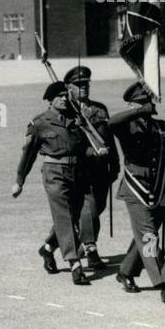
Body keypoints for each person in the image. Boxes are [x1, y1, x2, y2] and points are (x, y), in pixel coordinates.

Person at [109, 81, 165, 304]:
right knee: (150, 236)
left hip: (160, 187)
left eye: (146, 103)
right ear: (131, 106)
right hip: (136, 187)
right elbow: (111, 123)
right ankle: (164, 284)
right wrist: (139, 112)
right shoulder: (126, 127)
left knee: (144, 236)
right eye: (139, 105)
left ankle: (126, 272)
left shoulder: (160, 127)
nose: (144, 108)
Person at [12, 81, 91, 286]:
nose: (65, 99)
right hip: (54, 172)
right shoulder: (39, 123)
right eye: (60, 96)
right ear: (51, 100)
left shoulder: (77, 119)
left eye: (66, 96)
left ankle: (47, 248)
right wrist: (19, 181)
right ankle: (75, 264)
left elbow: (85, 146)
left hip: (77, 172)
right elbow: (27, 155)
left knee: (72, 217)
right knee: (63, 215)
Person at [42, 66, 115, 272]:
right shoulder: (66, 112)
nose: (84, 88)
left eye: (87, 84)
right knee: (87, 210)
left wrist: (115, 165)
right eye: (79, 85)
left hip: (101, 170)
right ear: (69, 88)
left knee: (92, 211)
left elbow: (107, 139)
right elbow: (68, 144)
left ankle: (48, 246)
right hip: (80, 170)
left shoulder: (100, 109)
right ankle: (91, 250)